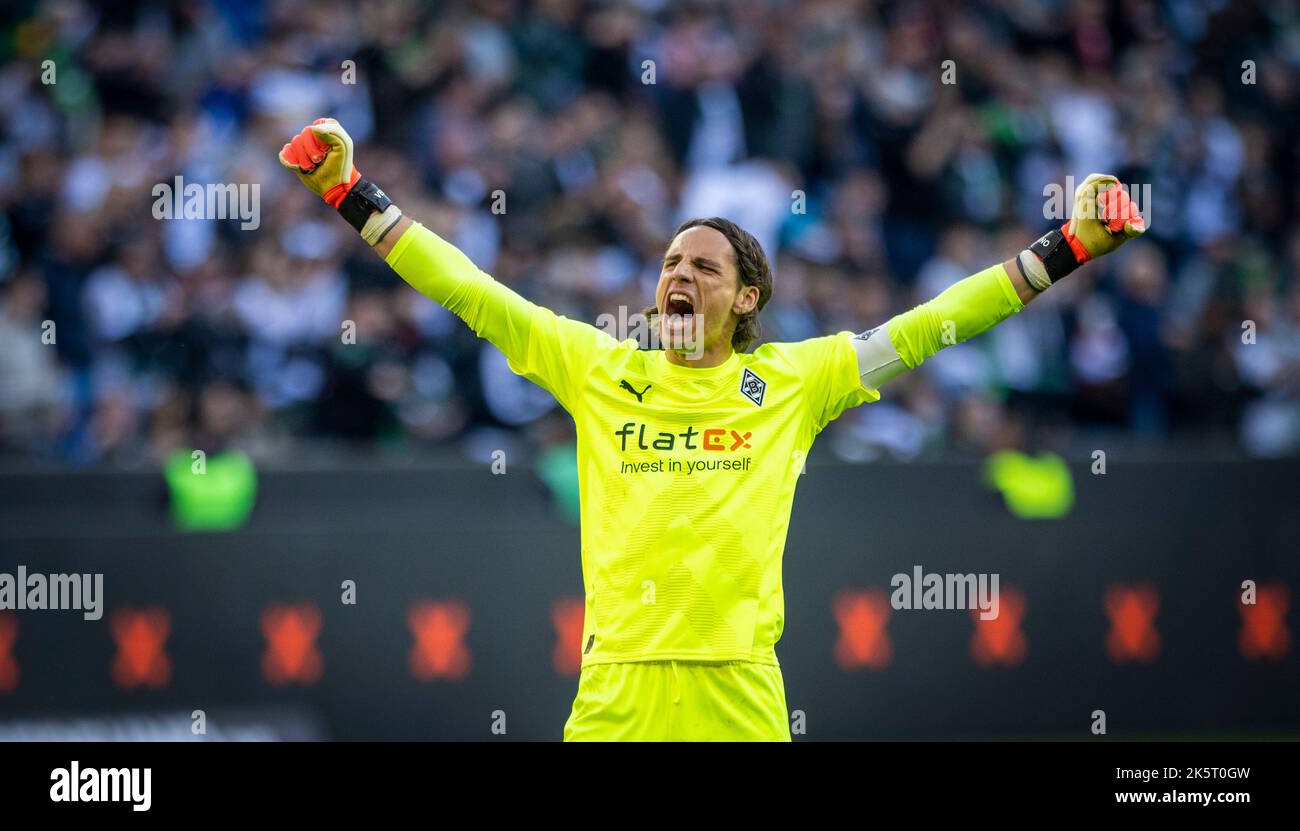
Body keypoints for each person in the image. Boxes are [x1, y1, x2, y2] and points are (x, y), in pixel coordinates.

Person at [279, 118, 1145, 741]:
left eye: (702, 266)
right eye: (669, 265)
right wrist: (349, 192)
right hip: (617, 690)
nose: (677, 277)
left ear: (746, 297)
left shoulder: (795, 382)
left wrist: (1068, 245)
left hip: (740, 692)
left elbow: (930, 325)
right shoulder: (598, 367)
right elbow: (469, 290)